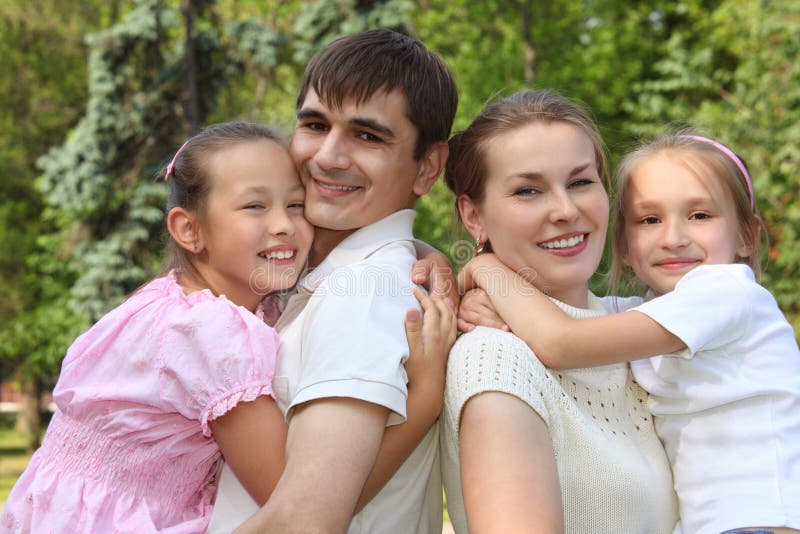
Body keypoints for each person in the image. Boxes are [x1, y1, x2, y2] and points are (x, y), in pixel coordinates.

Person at [459, 132, 800, 534]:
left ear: (746, 236)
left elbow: (560, 341)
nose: (674, 238)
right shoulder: (650, 313)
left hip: (761, 523)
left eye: (700, 216)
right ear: (623, 244)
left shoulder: (727, 293)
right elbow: (566, 316)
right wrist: (477, 299)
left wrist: (482, 269)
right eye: (649, 220)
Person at [0, 122, 310, 533]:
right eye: (255, 206)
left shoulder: (170, 302)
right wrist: (403, 403)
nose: (284, 224)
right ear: (188, 230)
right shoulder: (209, 331)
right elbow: (297, 501)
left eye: (297, 205)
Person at [208, 29, 458, 534]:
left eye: (368, 136)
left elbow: (303, 522)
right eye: (315, 124)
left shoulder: (365, 296)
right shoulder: (319, 276)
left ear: (428, 167)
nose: (327, 156)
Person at [440, 89, 679, 533]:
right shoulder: (495, 358)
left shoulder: (641, 326)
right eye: (528, 190)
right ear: (474, 216)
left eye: (580, 182)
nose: (566, 210)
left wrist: (482, 271)